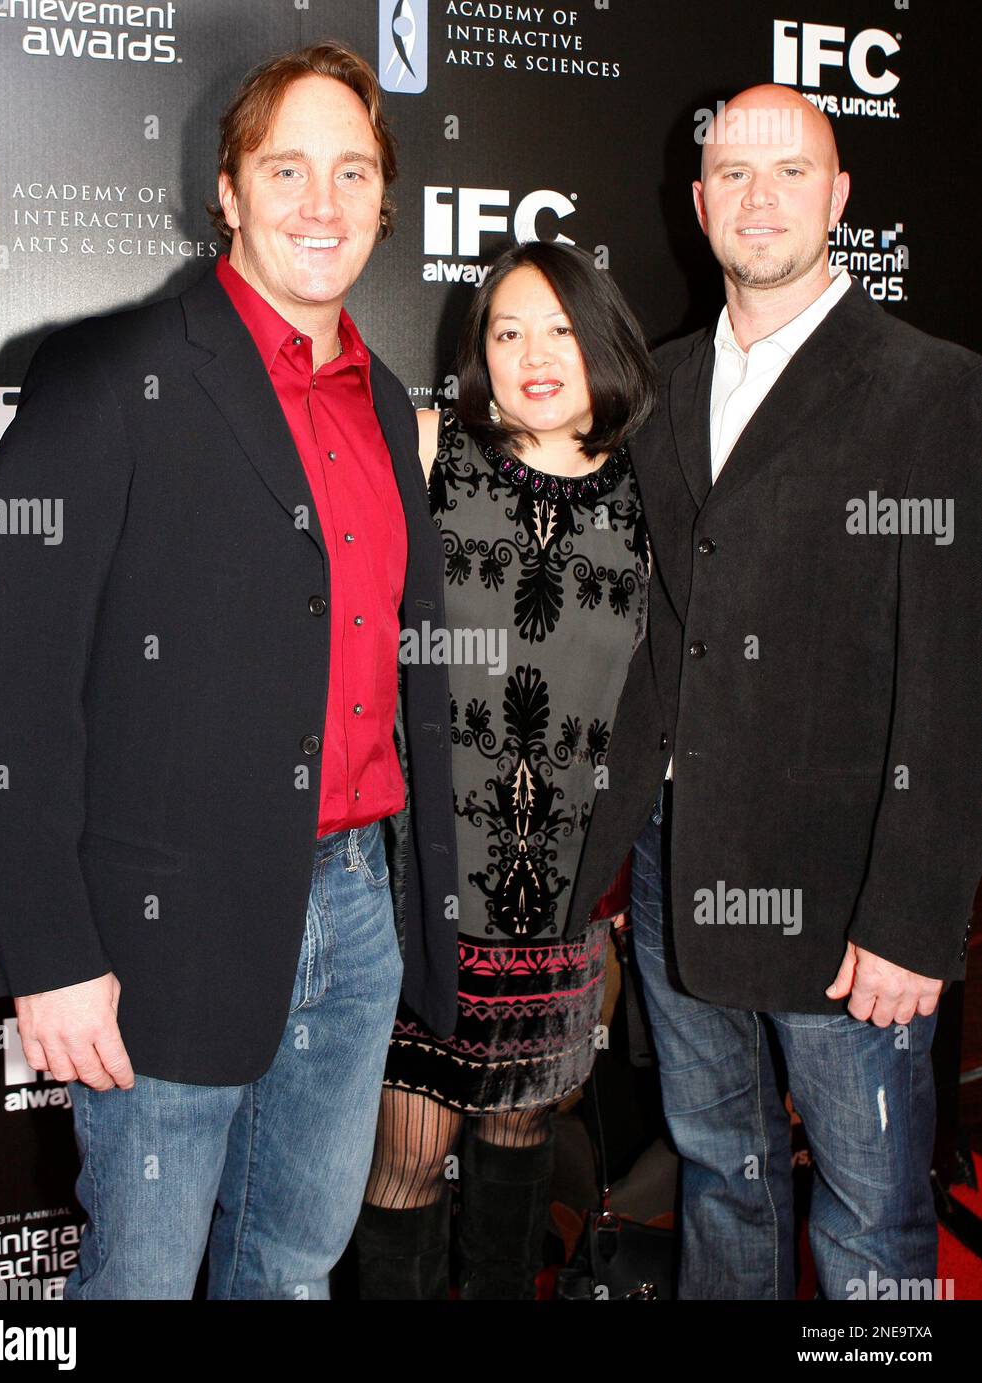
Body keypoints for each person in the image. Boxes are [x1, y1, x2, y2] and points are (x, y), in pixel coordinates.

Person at [0, 42, 459, 1300]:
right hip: (162, 927)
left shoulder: (390, 408)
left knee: (290, 1265)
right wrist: (53, 956)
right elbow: (10, 694)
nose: (321, 203)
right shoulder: (97, 377)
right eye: (286, 167)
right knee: (141, 1276)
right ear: (226, 191)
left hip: (354, 906)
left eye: (352, 173)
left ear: (385, 205)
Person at [602, 84, 982, 1298]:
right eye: (734, 174)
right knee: (723, 1174)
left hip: (846, 899)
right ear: (699, 200)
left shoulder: (930, 387)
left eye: (791, 172)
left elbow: (954, 669)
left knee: (872, 1218)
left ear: (839, 196)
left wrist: (915, 915)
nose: (759, 198)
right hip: (676, 872)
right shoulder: (653, 390)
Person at [354, 240, 659, 1299]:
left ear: (603, 340)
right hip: (425, 893)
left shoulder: (652, 493)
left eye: (561, 330)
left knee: (521, 1132)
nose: (534, 355)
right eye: (507, 331)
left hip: (562, 898)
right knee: (405, 1159)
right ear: (477, 353)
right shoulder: (431, 450)